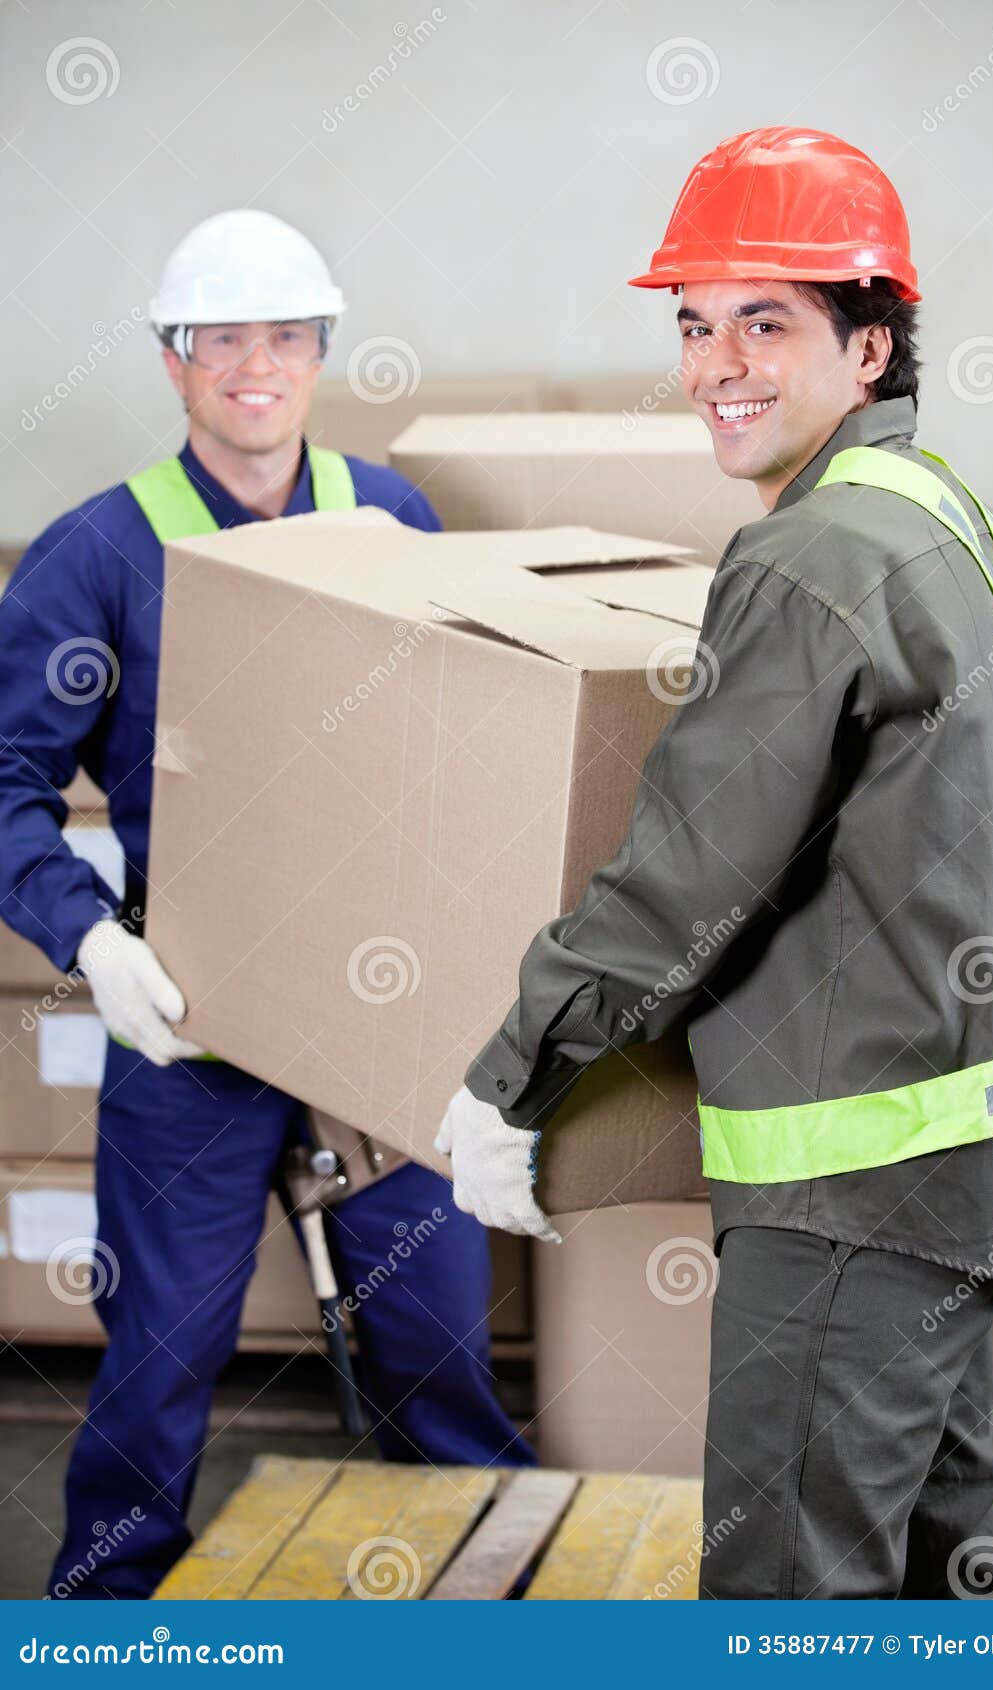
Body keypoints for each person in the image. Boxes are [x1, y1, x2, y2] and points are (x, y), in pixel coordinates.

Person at [435, 126, 993, 1600]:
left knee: (788, 1595)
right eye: (694, 323)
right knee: (935, 1571)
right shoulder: (967, 527)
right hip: (963, 1165)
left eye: (765, 322)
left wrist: (507, 1076)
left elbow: (682, 882)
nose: (717, 362)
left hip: (851, 1183)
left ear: (871, 345)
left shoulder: (812, 556)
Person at [0, 208, 532, 1601]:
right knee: (164, 1347)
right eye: (221, 338)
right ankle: (107, 1614)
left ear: (319, 353)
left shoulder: (387, 518)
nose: (255, 364)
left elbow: (458, 757)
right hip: (191, 1008)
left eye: (283, 336)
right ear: (174, 362)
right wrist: (91, 938)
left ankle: (492, 1598)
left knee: (432, 1332)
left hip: (379, 1001)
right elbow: (3, 782)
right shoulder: (97, 553)